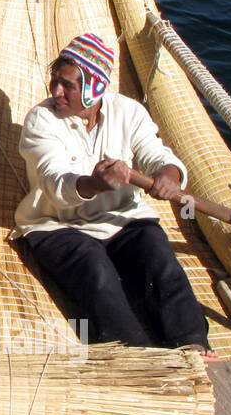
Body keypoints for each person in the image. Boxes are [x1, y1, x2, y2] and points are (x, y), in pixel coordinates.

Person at [13, 33, 213, 355]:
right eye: (55, 82)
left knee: (160, 262)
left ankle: (192, 344)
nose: (56, 92)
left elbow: (156, 153)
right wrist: (93, 185)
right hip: (59, 224)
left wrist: (168, 175)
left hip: (124, 218)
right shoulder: (41, 120)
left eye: (67, 86)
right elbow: (53, 183)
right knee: (97, 275)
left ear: (94, 89)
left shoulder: (129, 112)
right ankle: (134, 355)